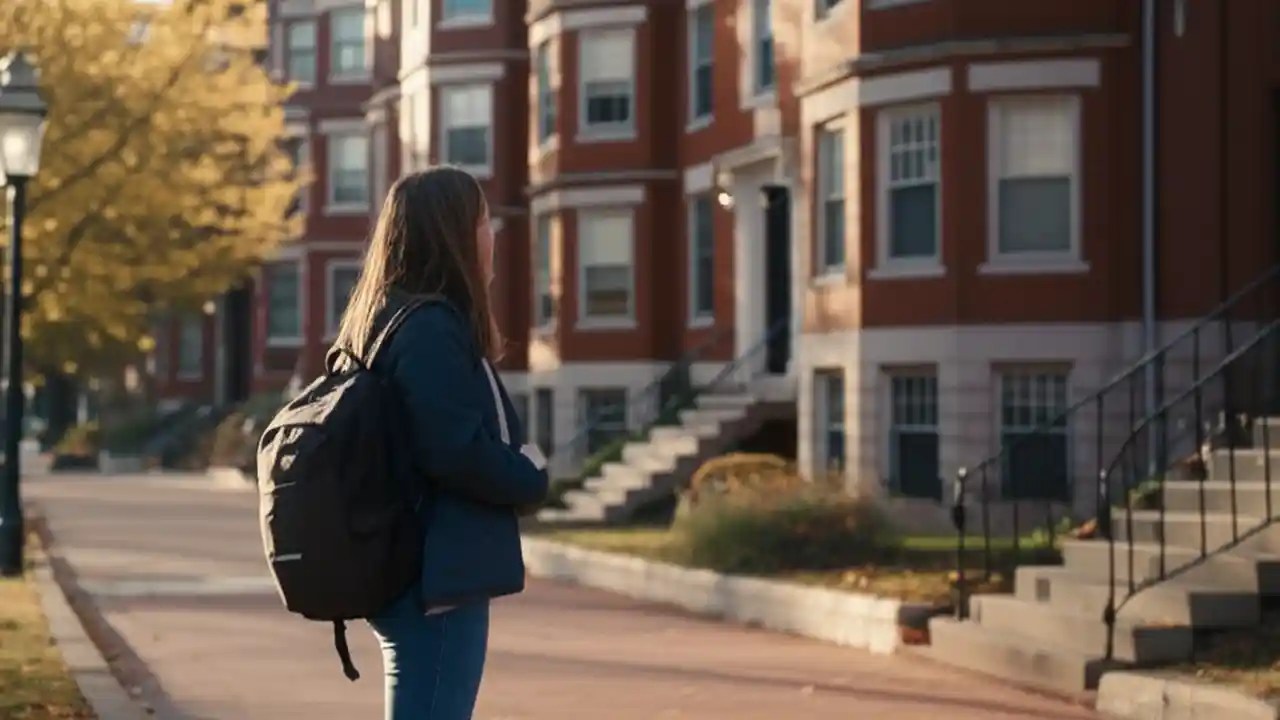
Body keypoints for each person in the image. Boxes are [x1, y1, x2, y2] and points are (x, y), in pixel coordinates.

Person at [332, 167, 549, 719]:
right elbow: (452, 450)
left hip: (404, 565)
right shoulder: (430, 327)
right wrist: (529, 476)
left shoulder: (381, 317)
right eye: (483, 221)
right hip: (435, 575)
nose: (492, 234)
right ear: (454, 234)